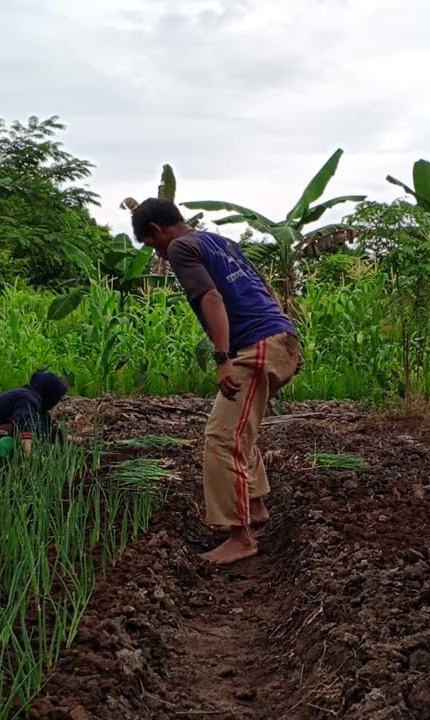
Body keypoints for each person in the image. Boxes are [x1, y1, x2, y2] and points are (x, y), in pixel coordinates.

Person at [131, 197, 302, 566]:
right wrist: (284, 340)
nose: (158, 254)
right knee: (239, 428)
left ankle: (240, 537)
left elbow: (210, 296)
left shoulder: (179, 246)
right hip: (279, 339)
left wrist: (223, 358)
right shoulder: (220, 242)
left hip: (254, 346)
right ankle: (254, 506)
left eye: (151, 245)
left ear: (157, 231)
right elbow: (264, 289)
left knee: (221, 437)